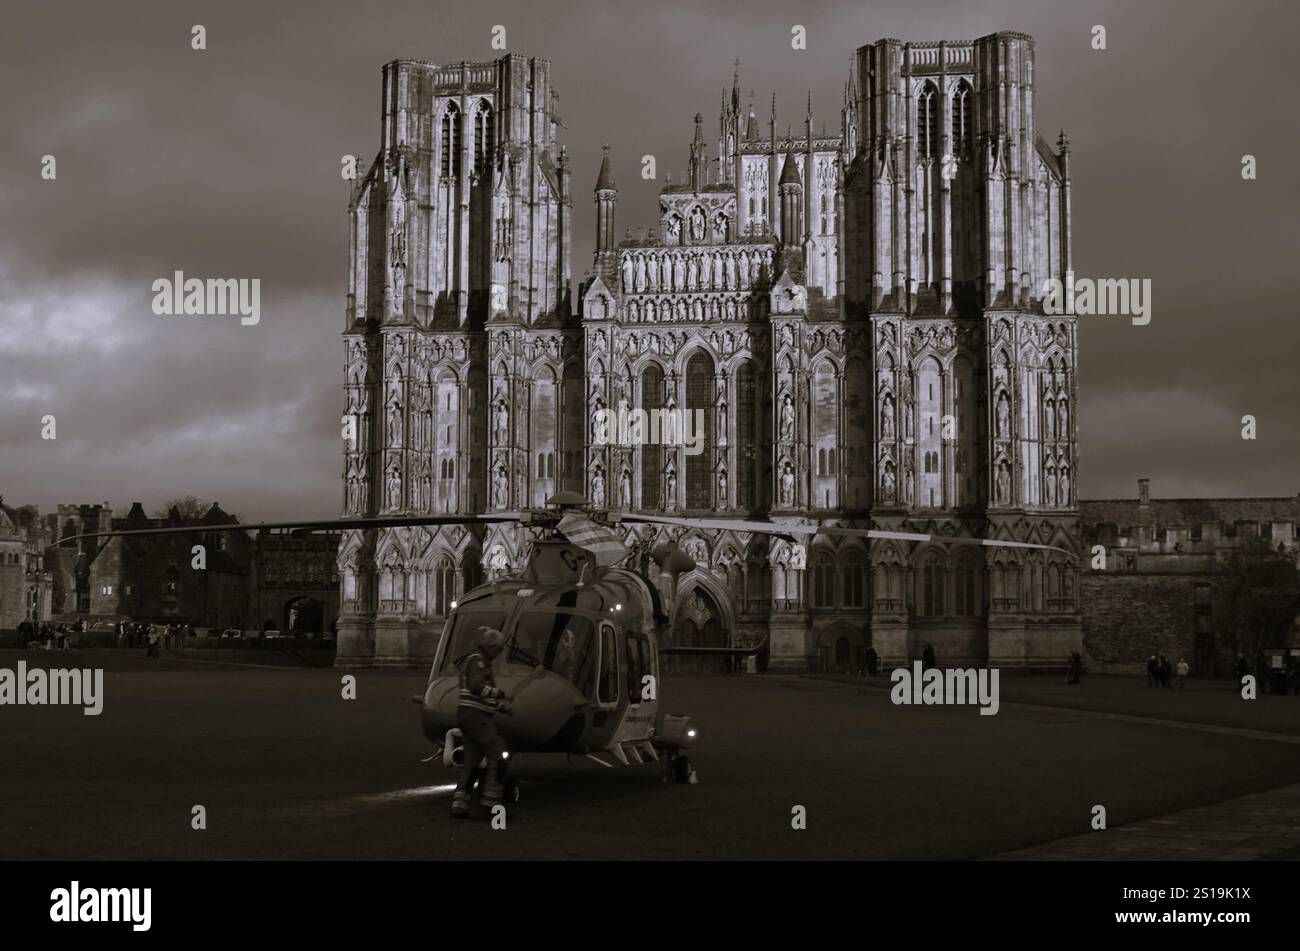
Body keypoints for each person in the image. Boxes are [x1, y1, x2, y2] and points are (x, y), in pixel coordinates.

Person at [450, 626, 511, 819]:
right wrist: (500, 694)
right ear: (491, 647)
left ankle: (460, 804)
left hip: (468, 716)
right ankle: (491, 803)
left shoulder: (476, 660)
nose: (500, 652)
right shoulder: (478, 661)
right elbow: (477, 687)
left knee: (471, 760)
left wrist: (501, 707)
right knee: (498, 754)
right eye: (499, 648)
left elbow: (481, 695)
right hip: (476, 717)